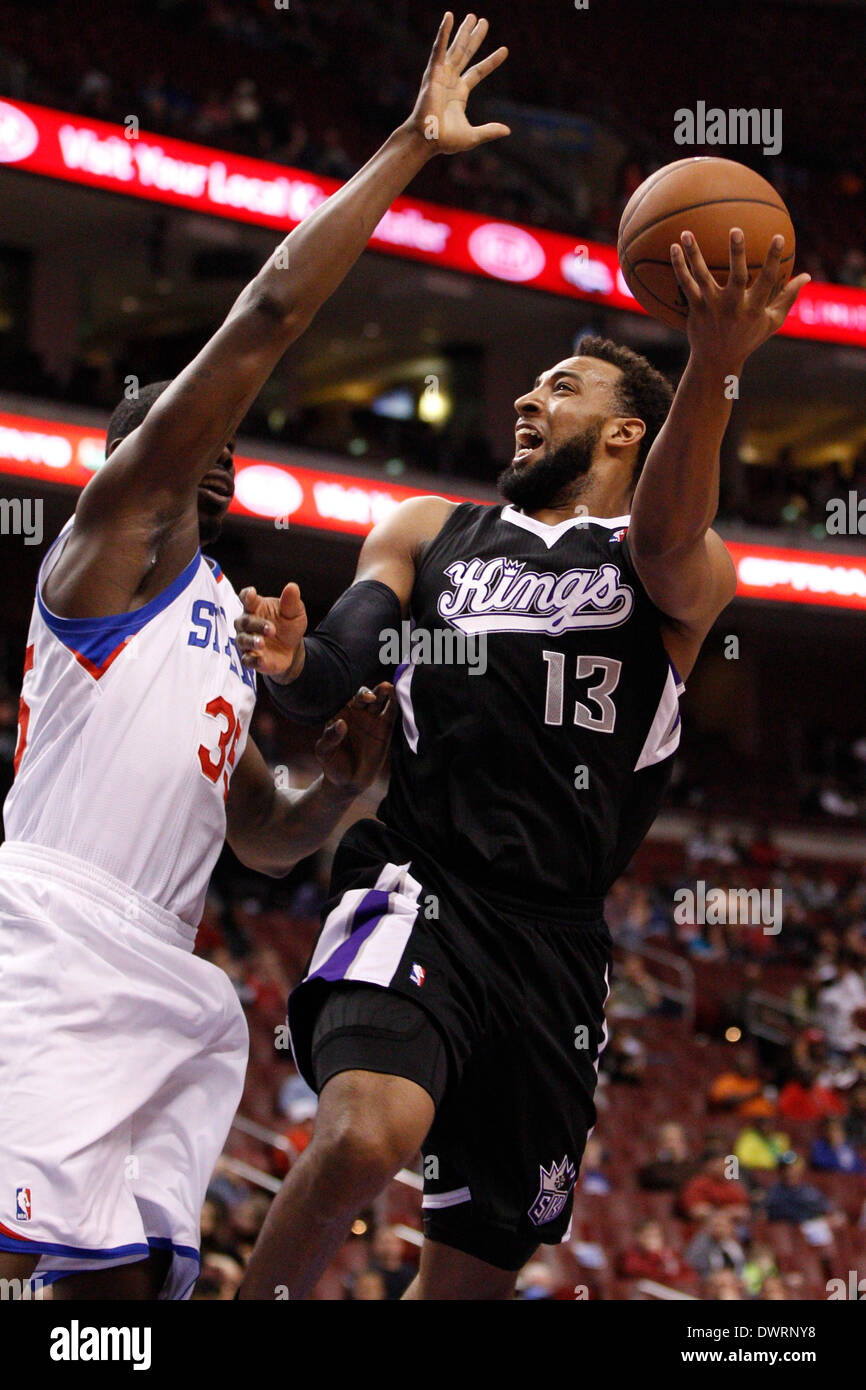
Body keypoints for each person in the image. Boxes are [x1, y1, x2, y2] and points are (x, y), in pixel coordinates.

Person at [234, 45, 808, 1302]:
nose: (526, 401)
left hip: (556, 942)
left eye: (561, 387)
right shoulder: (426, 530)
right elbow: (339, 668)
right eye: (532, 384)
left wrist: (714, 360)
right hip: (422, 880)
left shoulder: (678, 563)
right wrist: (290, 671)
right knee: (364, 1135)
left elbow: (668, 528)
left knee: (472, 1282)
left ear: (624, 431)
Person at [0, 1, 502, 1295]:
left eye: (214, 431)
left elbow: (263, 836)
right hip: (48, 935)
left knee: (115, 1294)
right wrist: (406, 143)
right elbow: (271, 307)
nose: (208, 437)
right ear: (131, 457)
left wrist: (339, 783)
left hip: (164, 969)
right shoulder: (103, 546)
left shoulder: (227, 617)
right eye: (181, 423)